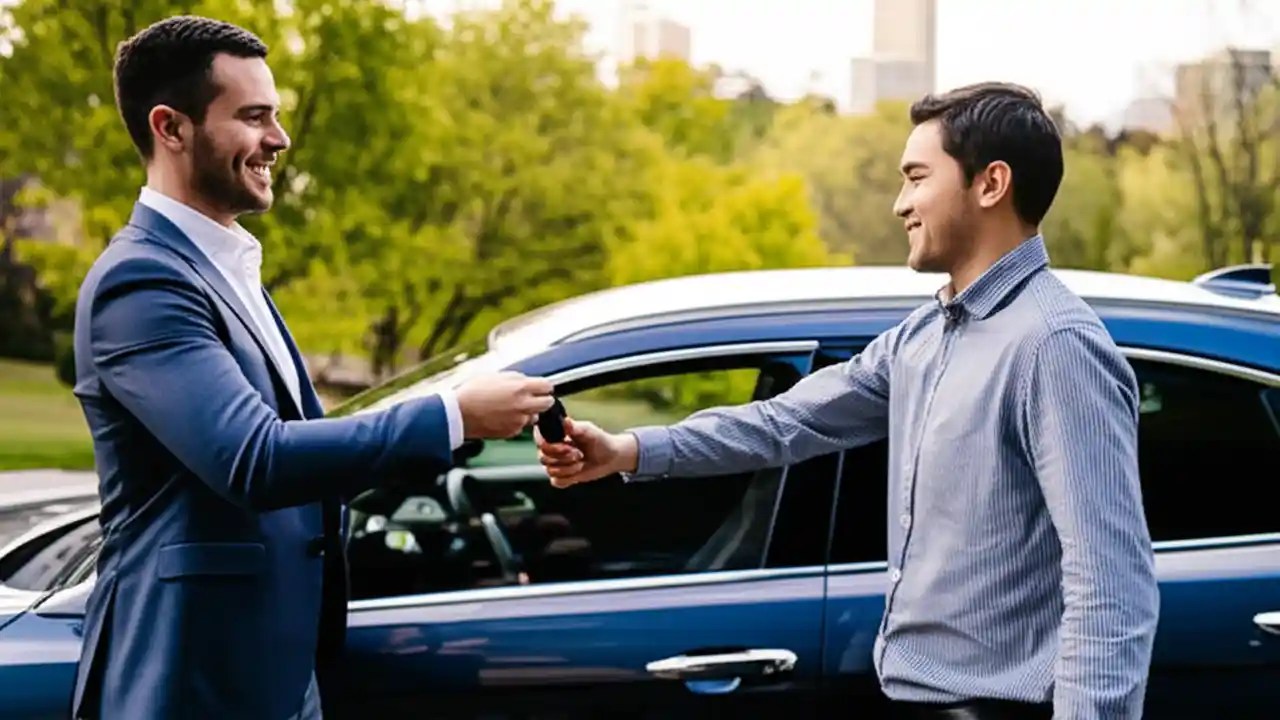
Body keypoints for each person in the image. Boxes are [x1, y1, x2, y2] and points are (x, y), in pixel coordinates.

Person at [538, 82, 1159, 719]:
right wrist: (626, 450)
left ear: (990, 184)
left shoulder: (1055, 345)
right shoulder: (925, 335)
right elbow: (784, 424)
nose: (900, 204)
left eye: (917, 178)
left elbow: (1111, 584)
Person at [70, 15, 554, 720]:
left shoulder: (227, 266)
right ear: (171, 128)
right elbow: (254, 458)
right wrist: (450, 416)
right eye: (254, 116)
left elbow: (305, 450)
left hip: (279, 669)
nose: (279, 139)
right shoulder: (140, 283)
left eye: (277, 116)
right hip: (194, 676)